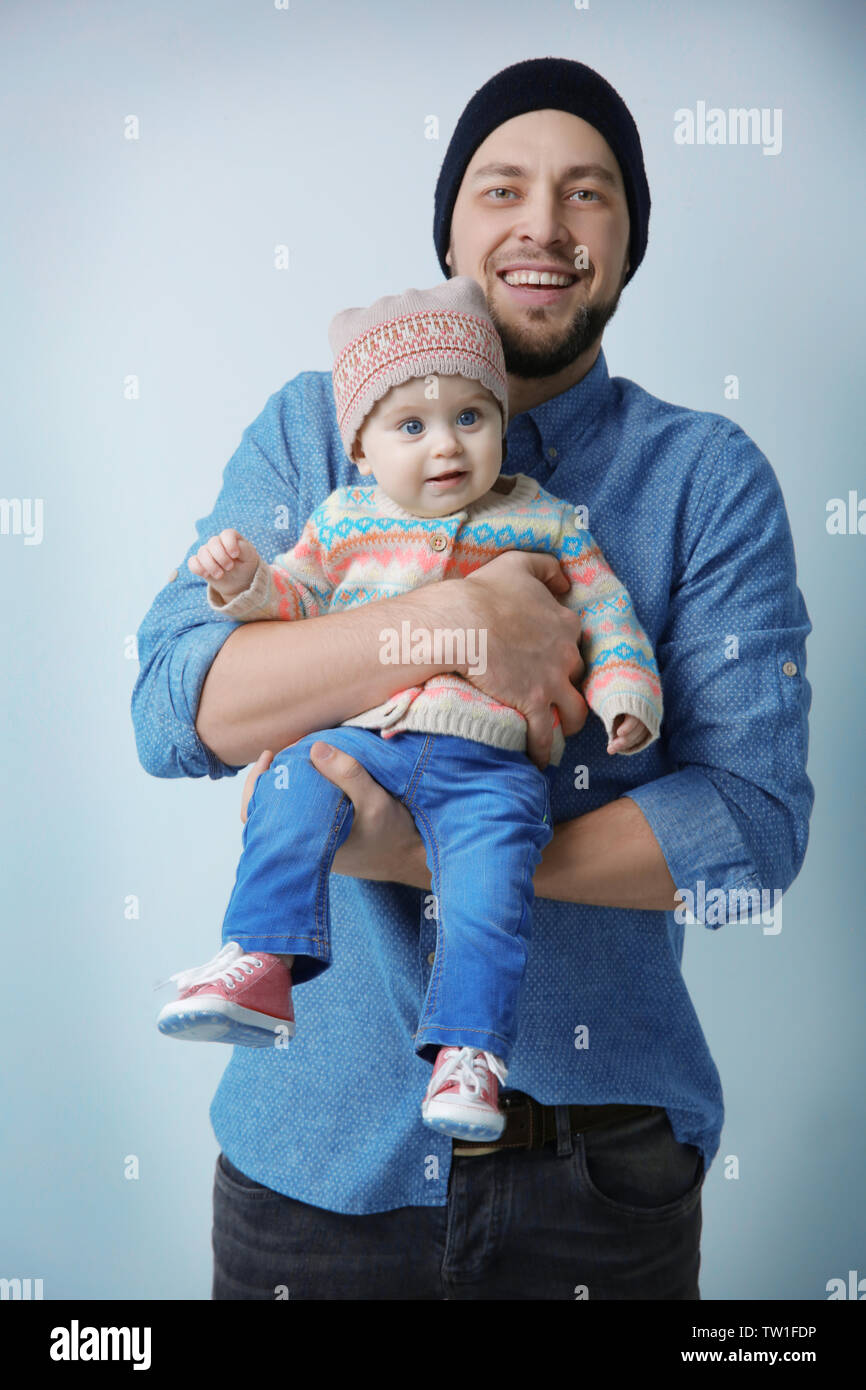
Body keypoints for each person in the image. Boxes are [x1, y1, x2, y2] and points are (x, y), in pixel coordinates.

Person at [131, 56, 813, 1300]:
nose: (541, 226)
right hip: (312, 1172)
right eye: (499, 188)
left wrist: (426, 853)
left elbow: (753, 833)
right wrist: (450, 622)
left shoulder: (703, 478)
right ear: (449, 226)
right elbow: (181, 707)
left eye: (586, 193)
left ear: (629, 237)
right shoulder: (313, 427)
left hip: (596, 1184)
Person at [154, 276, 663, 1145]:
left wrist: (625, 695)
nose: (446, 448)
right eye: (411, 426)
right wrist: (240, 583)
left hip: (489, 762)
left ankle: (471, 1051)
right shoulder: (343, 521)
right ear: (361, 447)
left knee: (490, 882)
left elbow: (606, 609)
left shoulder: (545, 520)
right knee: (290, 785)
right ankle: (261, 960)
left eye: (472, 417)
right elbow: (294, 601)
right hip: (369, 738)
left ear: (502, 421)